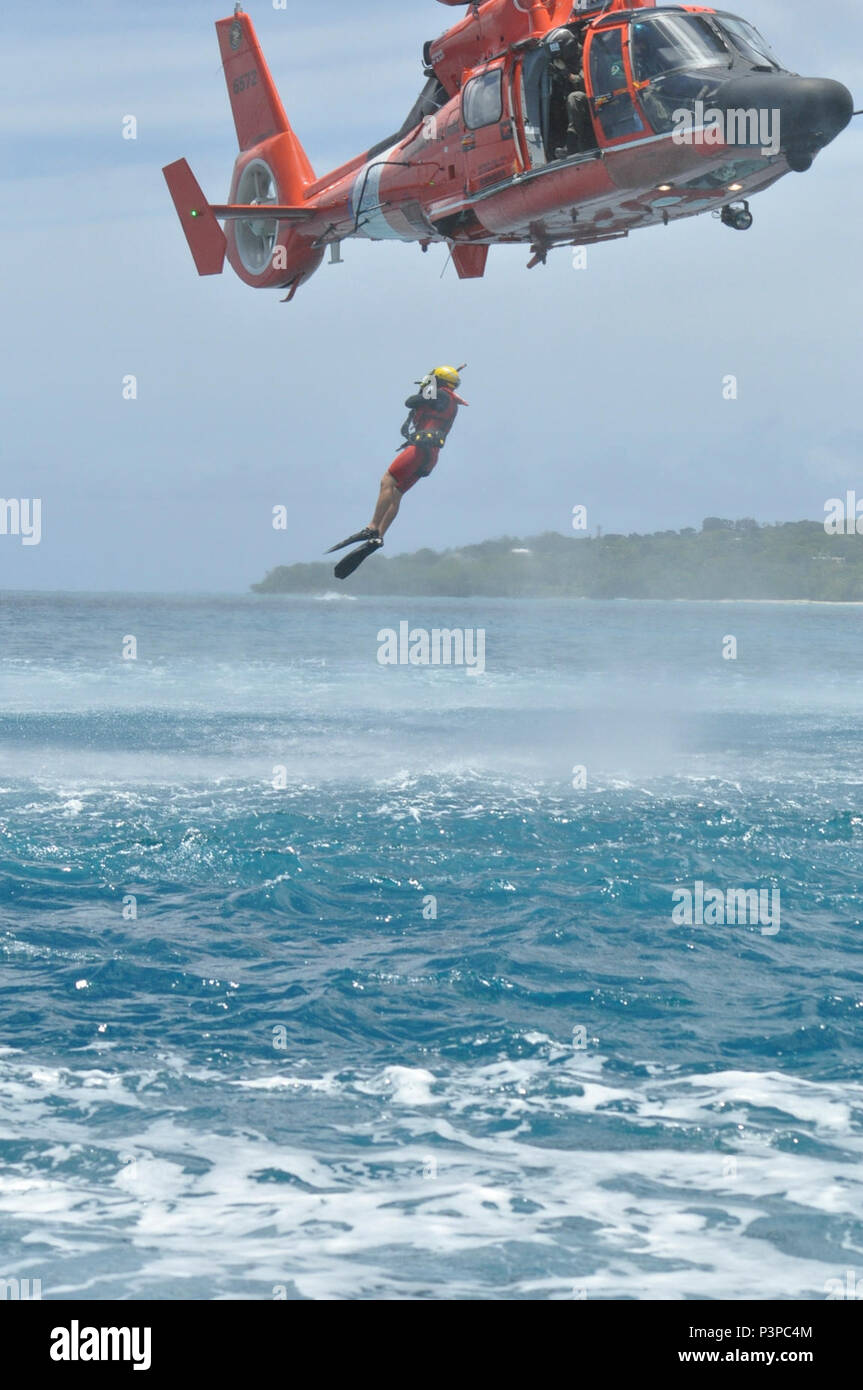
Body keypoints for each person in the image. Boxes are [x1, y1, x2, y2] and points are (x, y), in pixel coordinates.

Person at [328, 366, 467, 579]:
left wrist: (425, 385)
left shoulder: (438, 394)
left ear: (437, 380)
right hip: (432, 456)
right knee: (397, 492)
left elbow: (411, 402)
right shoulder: (449, 400)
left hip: (420, 448)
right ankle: (379, 537)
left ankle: (372, 527)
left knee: (387, 481)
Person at [546, 26, 594, 156]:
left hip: (595, 98)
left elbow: (584, 82)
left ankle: (571, 145)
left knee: (574, 98)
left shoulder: (587, 54)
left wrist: (565, 72)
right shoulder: (566, 60)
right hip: (580, 102)